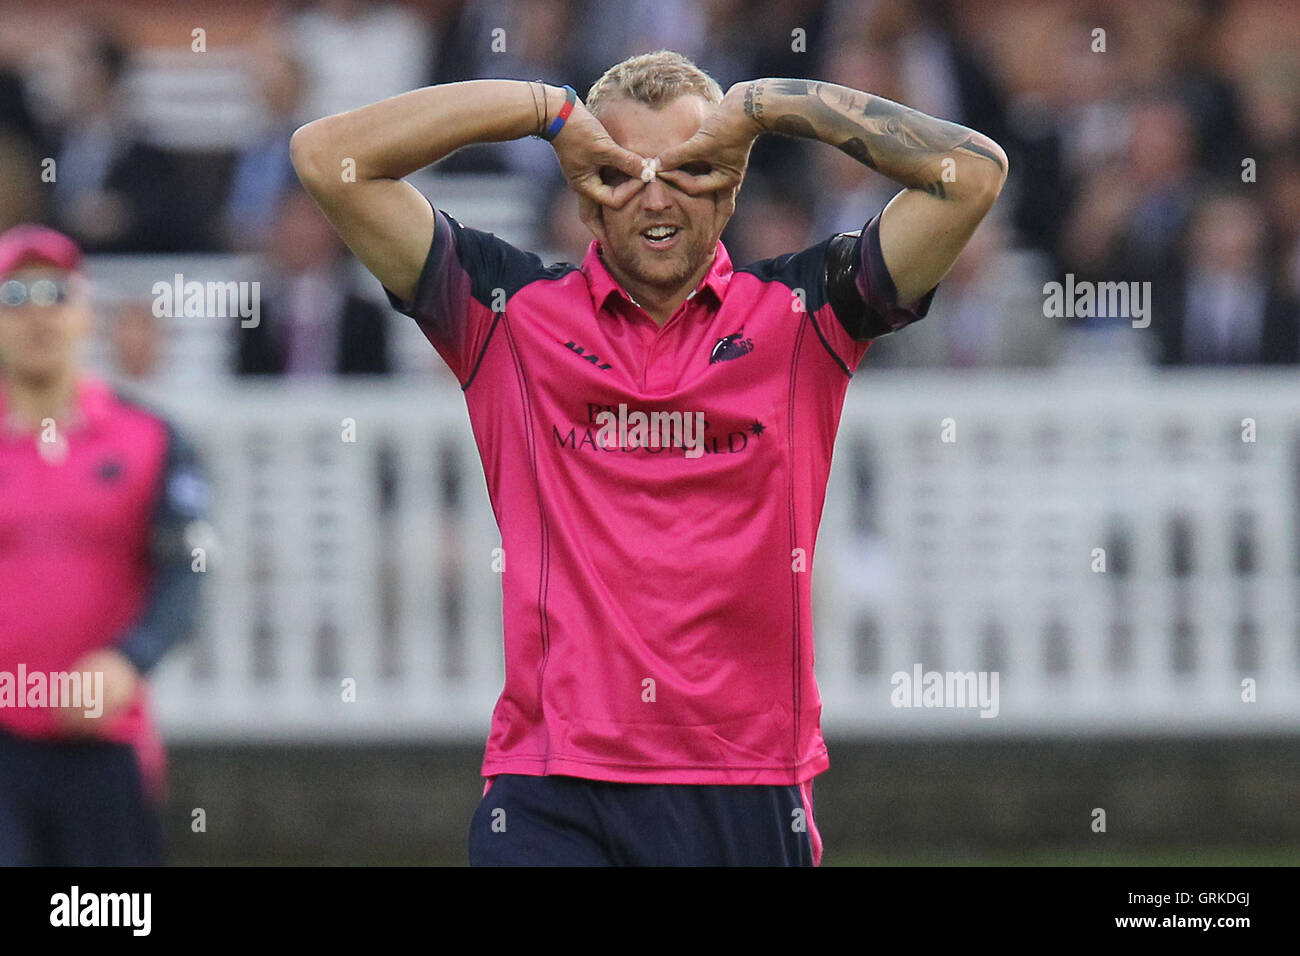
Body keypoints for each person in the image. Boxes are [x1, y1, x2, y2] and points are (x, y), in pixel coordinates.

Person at [290, 50, 1006, 866]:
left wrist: (769, 106)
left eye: (692, 169)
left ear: (733, 184)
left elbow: (972, 176)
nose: (657, 196)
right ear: (584, 195)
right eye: (623, 171)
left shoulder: (806, 313)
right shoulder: (507, 315)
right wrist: (544, 112)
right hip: (553, 784)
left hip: (746, 780)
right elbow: (327, 160)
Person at [0, 224, 209, 865]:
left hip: (106, 742)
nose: (38, 313)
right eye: (15, 295)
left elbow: (186, 572)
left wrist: (128, 660)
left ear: (87, 313)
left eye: (56, 293)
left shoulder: (148, 438)